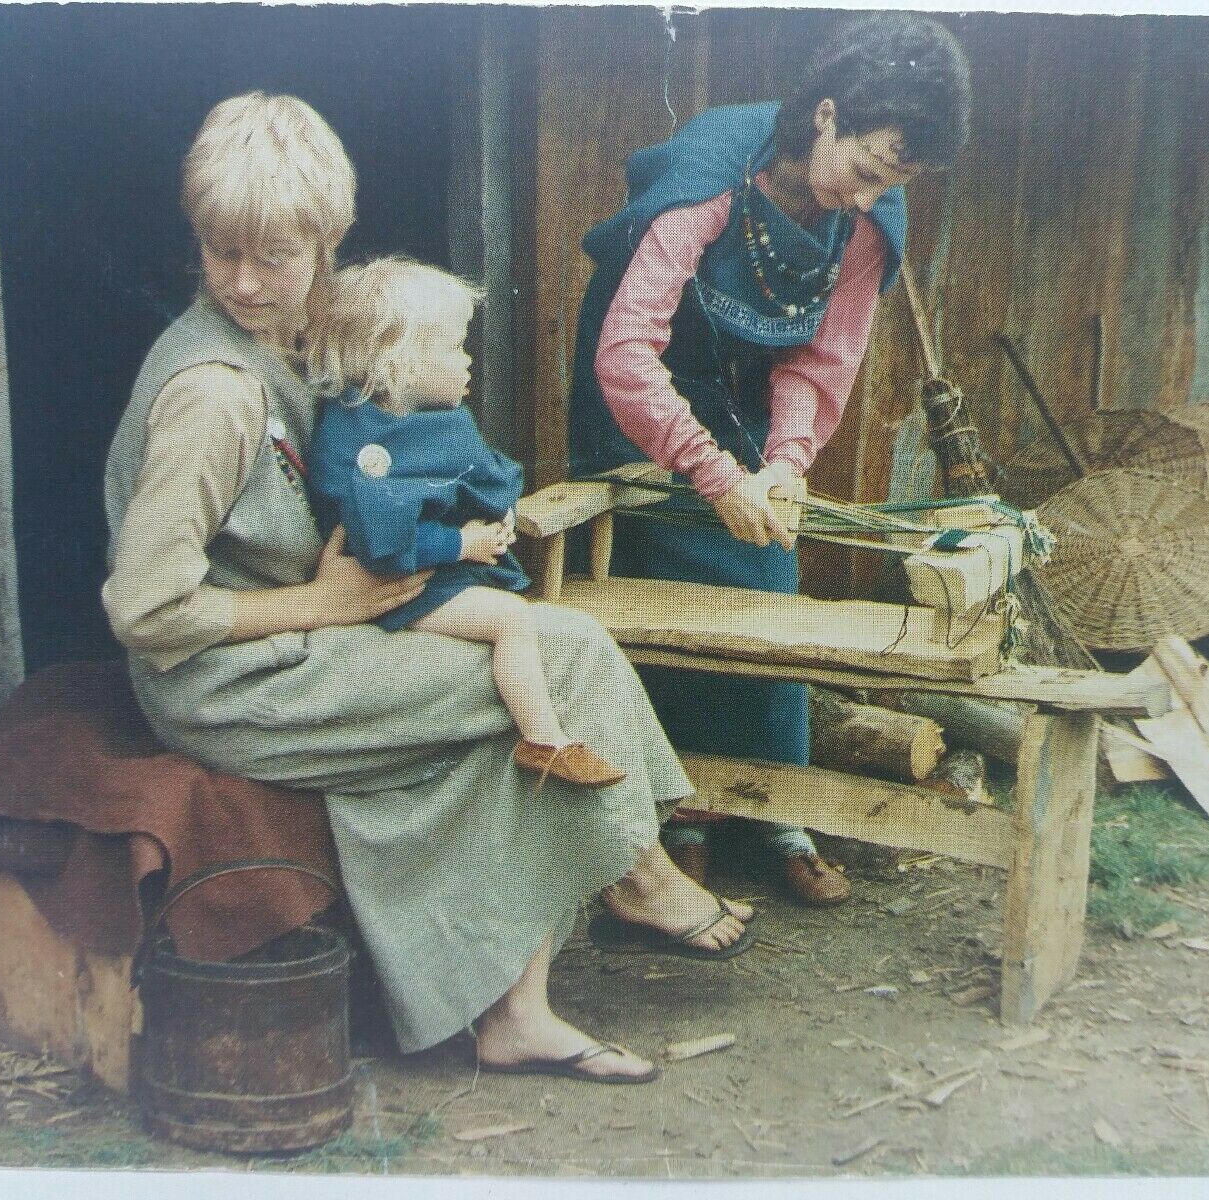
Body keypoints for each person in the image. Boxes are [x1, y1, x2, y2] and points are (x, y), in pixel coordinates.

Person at [102, 92, 753, 1086]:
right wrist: (322, 606)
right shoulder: (213, 393)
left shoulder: (293, 334)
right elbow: (145, 612)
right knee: (561, 656)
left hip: (313, 642)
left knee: (534, 657)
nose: (241, 282)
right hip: (231, 679)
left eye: (272, 257)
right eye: (218, 252)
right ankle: (633, 872)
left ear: (328, 241)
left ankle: (519, 1002)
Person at [568, 13, 973, 905]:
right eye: (867, 170)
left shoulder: (869, 220)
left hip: (741, 390)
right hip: (639, 388)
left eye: (894, 181)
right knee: (666, 584)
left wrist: (785, 462)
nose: (870, 198)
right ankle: (685, 818)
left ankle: (780, 810)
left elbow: (825, 359)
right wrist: (713, 475)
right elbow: (627, 354)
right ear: (825, 115)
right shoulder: (711, 175)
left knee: (769, 562)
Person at [305, 258, 625, 789]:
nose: (468, 362)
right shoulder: (360, 444)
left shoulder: (429, 420)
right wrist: (462, 543)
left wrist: (490, 523)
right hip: (389, 586)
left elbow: (469, 481)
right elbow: (379, 538)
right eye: (454, 347)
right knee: (511, 621)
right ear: (398, 358)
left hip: (433, 573)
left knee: (543, 628)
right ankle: (545, 743)